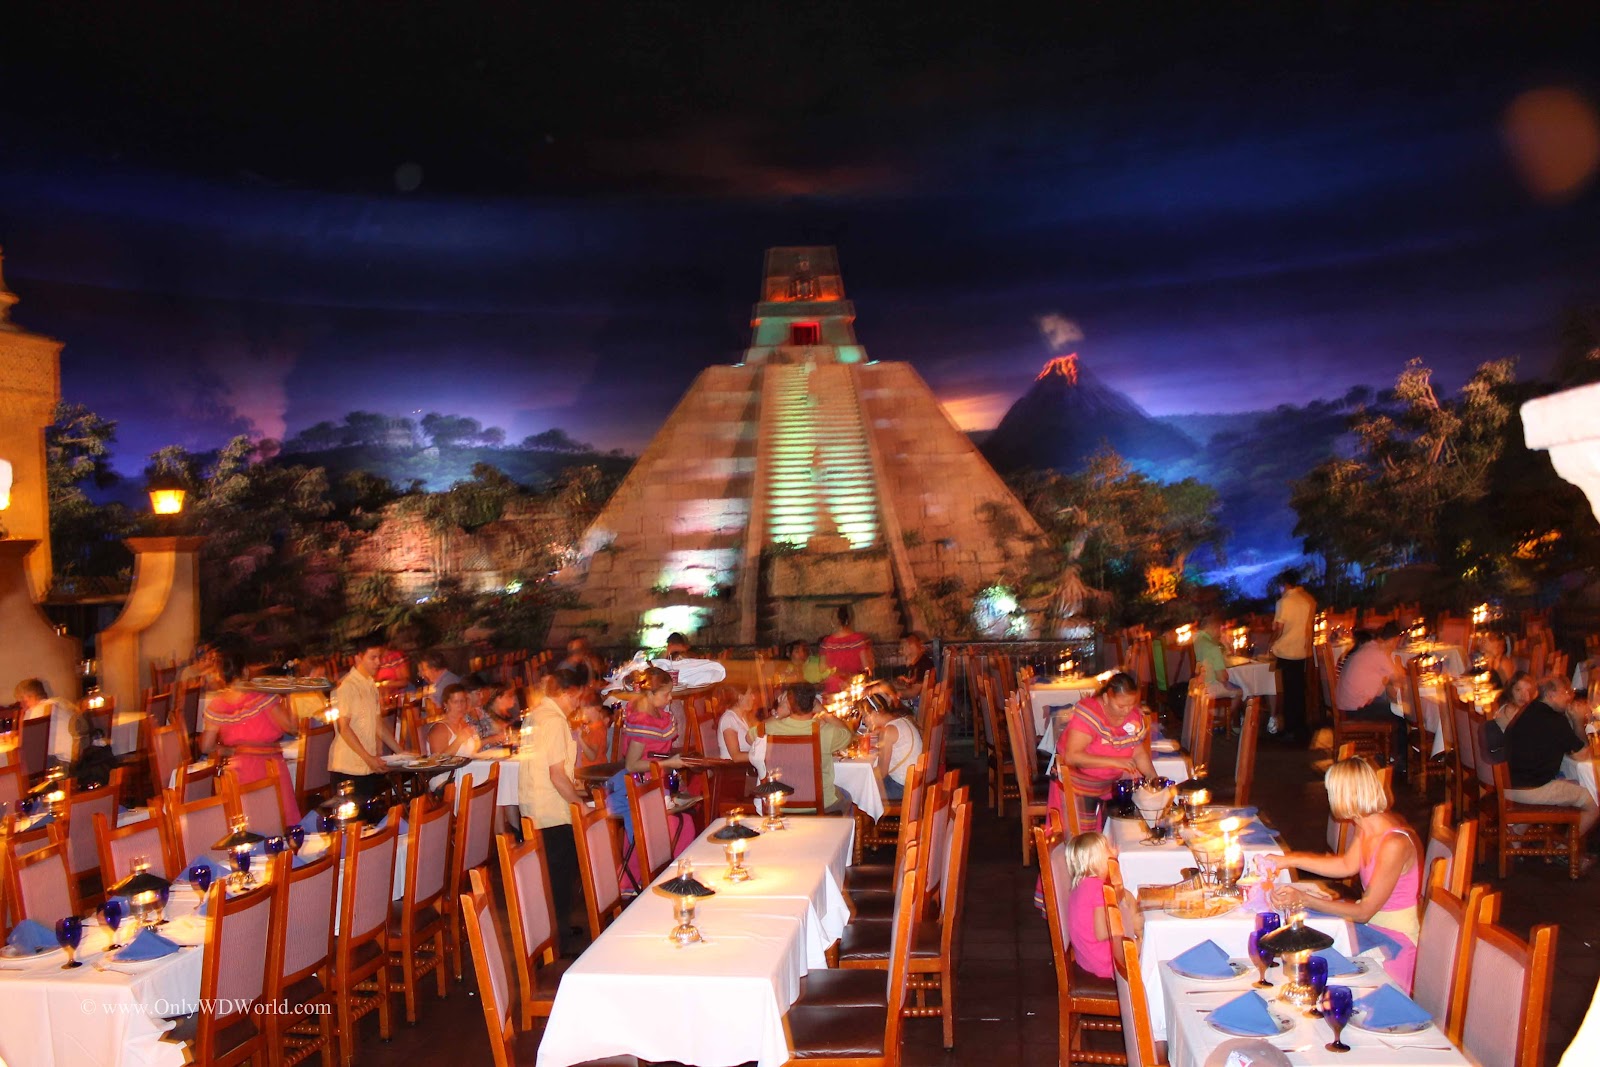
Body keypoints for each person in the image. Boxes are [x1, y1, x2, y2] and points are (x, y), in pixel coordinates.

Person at [1262, 758, 1423, 991]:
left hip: (1394, 944)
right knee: (1300, 936)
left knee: (1309, 955)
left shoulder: (1394, 843)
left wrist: (1306, 898)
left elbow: (1363, 912)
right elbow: (1346, 865)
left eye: (1331, 793)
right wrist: (1287, 860)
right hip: (1372, 930)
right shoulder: (1367, 824)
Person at [518, 668, 586, 955]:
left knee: (550, 875)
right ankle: (559, 943)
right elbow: (557, 775)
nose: (579, 704)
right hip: (552, 809)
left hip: (534, 806)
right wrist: (580, 804)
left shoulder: (535, 715)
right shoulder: (555, 721)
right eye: (578, 697)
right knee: (559, 877)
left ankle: (556, 932)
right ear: (567, 693)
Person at [1496, 676, 1598, 859]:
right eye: (1565, 693)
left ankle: (1516, 834)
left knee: (1567, 779)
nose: (1569, 697)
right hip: (1529, 789)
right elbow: (1582, 756)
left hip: (1507, 782)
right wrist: (1577, 721)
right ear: (1551, 695)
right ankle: (1561, 849)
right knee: (1595, 801)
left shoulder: (1530, 710)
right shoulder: (1553, 721)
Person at [197, 651, 302, 822]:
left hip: (240, 771)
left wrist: (227, 749)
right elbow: (292, 727)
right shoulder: (261, 695)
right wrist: (290, 693)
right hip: (269, 767)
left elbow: (206, 747)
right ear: (245, 671)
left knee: (252, 826)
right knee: (280, 823)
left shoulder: (218, 704)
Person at [1056, 672, 1158, 830]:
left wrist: (1152, 776)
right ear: (1106, 697)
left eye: (1132, 704)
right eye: (1121, 706)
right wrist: (1115, 762)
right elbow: (1072, 756)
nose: (1127, 711)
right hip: (1079, 786)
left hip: (1111, 787)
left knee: (1123, 830)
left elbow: (1137, 751)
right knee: (1087, 842)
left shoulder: (1133, 716)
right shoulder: (1089, 714)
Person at [329, 634, 405, 798]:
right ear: (358, 658)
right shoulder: (346, 687)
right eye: (373, 658)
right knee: (353, 822)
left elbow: (378, 725)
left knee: (369, 820)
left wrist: (401, 752)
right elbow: (344, 728)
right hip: (349, 767)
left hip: (368, 765)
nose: (378, 662)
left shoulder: (370, 685)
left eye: (379, 657)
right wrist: (368, 758)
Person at [763, 680, 854, 813]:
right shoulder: (825, 731)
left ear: (788, 703)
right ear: (813, 703)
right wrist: (823, 711)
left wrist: (779, 714)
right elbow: (848, 734)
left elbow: (750, 735)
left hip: (781, 803)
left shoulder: (771, 728)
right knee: (846, 795)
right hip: (822, 805)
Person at [1334, 621, 1407, 774]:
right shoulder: (1378, 654)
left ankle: (1389, 754)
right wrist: (1399, 663)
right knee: (1403, 714)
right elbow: (1400, 678)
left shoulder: (1369, 648)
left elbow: (1385, 685)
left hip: (1348, 705)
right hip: (1356, 709)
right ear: (1394, 640)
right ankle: (1401, 760)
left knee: (1393, 707)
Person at [1065, 831, 1119, 979]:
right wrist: (1123, 925)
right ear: (1096, 860)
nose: (1114, 852)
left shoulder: (1080, 885)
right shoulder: (1098, 889)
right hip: (1103, 962)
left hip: (1086, 958)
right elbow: (1102, 933)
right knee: (1144, 945)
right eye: (1108, 849)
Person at [1270, 570, 1316, 742]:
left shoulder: (1284, 602)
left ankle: (1289, 728)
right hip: (1301, 651)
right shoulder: (1306, 600)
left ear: (1284, 584)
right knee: (1298, 690)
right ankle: (1301, 727)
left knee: (1288, 692)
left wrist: (1270, 643)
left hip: (1286, 651)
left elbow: (1279, 628)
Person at [862, 692, 922, 801]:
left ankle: (866, 816)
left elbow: (881, 772)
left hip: (901, 789)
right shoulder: (902, 720)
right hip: (914, 786)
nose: (863, 721)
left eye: (865, 716)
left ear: (875, 713)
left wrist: (859, 782)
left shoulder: (888, 731)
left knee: (858, 795)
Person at [14, 679, 86, 768]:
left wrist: (22, 717)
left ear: (32, 696)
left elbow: (24, 746)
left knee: (23, 768)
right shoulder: (59, 702)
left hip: (66, 763)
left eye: (22, 700)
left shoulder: (37, 710)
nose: (21, 705)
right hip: (85, 754)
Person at [819, 605, 874, 694]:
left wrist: (837, 672)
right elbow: (866, 667)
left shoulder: (827, 642)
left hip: (833, 688)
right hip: (854, 686)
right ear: (849, 620)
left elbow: (822, 668)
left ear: (834, 621)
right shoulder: (858, 640)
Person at [1192, 613, 1242, 700]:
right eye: (1219, 628)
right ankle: (1231, 713)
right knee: (1241, 690)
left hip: (1197, 685)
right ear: (1213, 627)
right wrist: (1227, 675)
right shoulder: (1213, 647)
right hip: (1210, 687)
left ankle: (1218, 712)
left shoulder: (1194, 639)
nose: (1219, 632)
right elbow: (1222, 678)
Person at [427, 684, 484, 758]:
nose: (460, 705)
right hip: (452, 769)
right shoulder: (440, 729)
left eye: (462, 701)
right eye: (455, 702)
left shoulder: (463, 724)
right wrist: (459, 740)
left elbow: (471, 751)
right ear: (445, 704)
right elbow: (437, 761)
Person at [893, 632, 935, 706]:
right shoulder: (917, 663)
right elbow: (913, 684)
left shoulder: (923, 665)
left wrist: (893, 693)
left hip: (920, 706)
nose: (901, 651)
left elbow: (914, 692)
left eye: (903, 647)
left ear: (912, 647)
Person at [717, 689, 759, 763]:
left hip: (745, 767)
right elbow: (736, 757)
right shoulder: (728, 719)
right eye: (750, 694)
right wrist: (760, 755)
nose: (753, 697)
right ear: (740, 697)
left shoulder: (743, 717)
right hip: (733, 770)